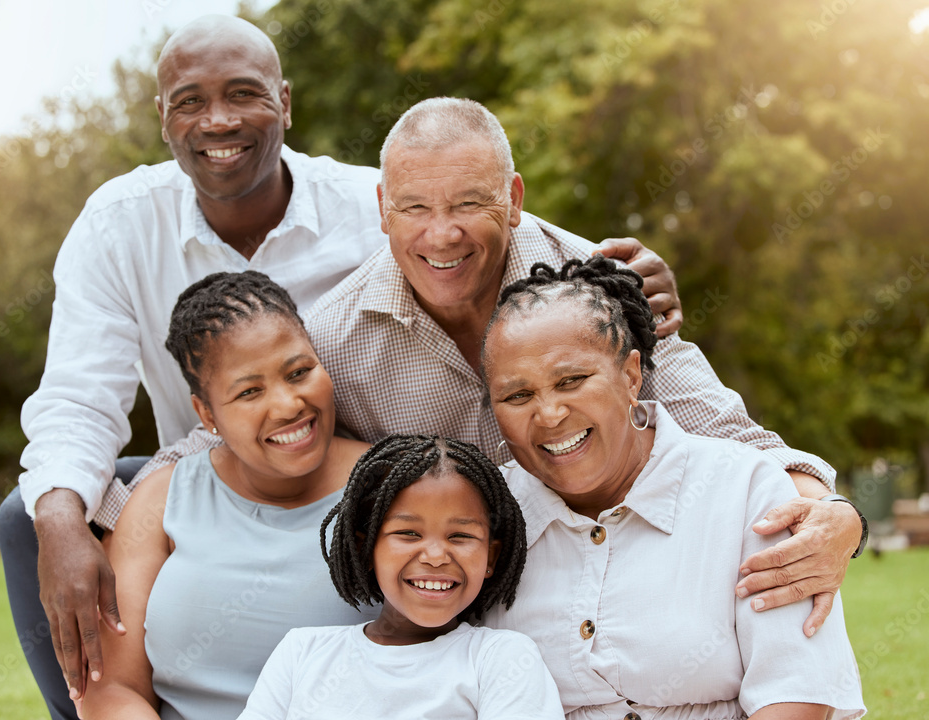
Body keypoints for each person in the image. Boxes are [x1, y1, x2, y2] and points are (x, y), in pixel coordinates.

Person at [138, 97, 864, 640]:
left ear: (512, 201)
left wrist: (832, 516)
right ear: (383, 209)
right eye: (415, 207)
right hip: (472, 619)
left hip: (631, 581)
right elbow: (241, 426)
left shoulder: (599, 290)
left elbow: (736, 435)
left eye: (468, 203)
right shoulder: (337, 335)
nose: (441, 233)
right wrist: (103, 513)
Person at [0, 15, 387, 719]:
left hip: (356, 469)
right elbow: (80, 397)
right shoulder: (119, 223)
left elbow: (488, 232)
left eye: (244, 94)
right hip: (209, 481)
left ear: (286, 103)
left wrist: (615, 270)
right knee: (33, 515)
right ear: (162, 118)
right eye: (190, 102)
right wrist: (62, 525)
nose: (218, 121)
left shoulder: (370, 204)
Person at [480, 257, 865, 719]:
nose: (549, 414)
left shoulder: (747, 491)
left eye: (572, 380)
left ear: (630, 376)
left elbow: (796, 692)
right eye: (518, 395)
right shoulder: (486, 513)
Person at [82, 270, 378, 720]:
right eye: (249, 391)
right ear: (206, 414)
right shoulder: (160, 501)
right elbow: (113, 690)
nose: (288, 405)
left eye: (299, 372)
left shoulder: (388, 485)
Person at [236, 434, 563, 720]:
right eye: (408, 532)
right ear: (366, 550)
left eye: (460, 536)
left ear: (490, 556)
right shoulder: (301, 653)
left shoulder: (501, 659)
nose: (436, 556)